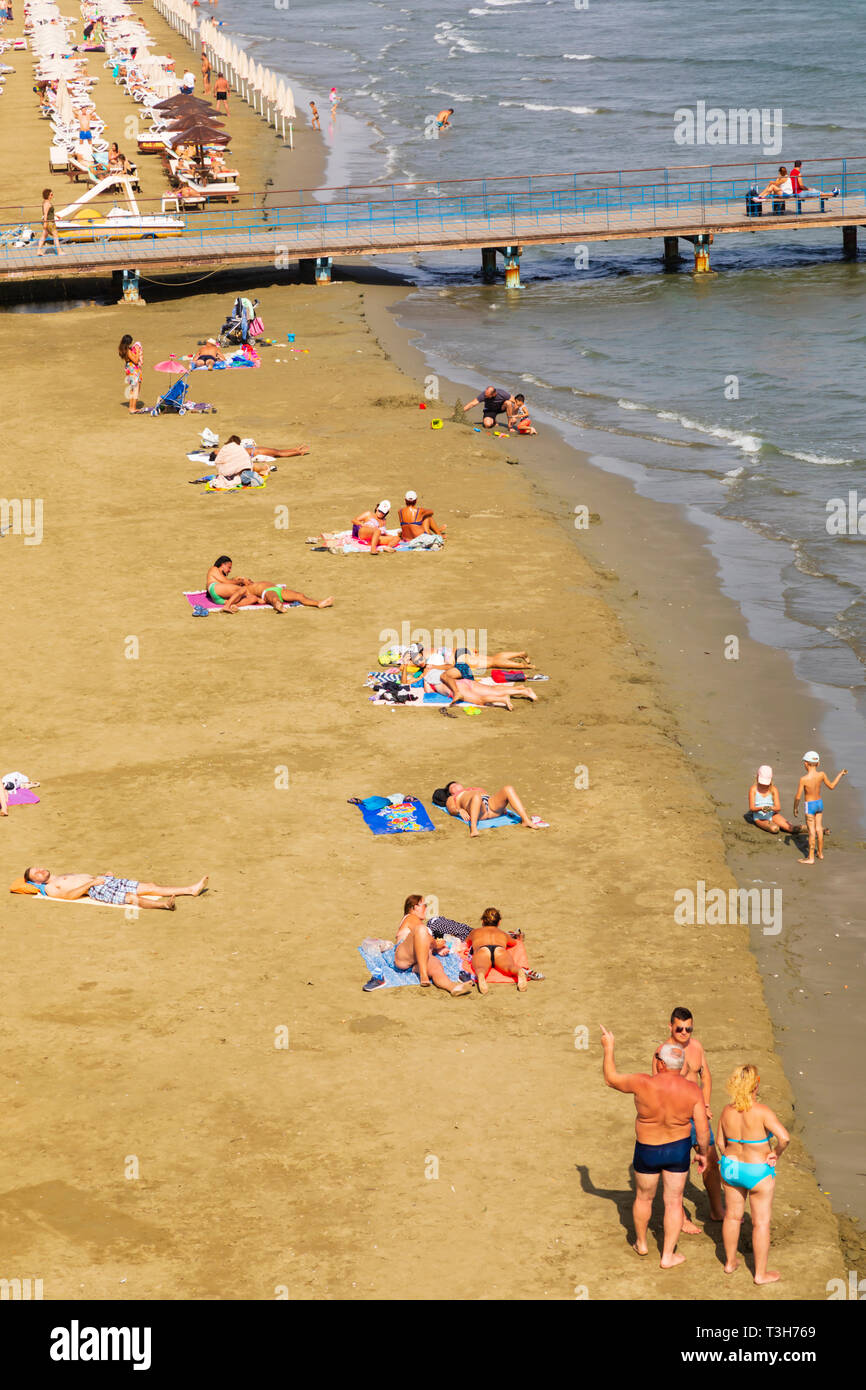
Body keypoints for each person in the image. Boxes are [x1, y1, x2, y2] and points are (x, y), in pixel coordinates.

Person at [601, 1027, 709, 1267]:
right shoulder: (692, 1090)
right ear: (680, 1066)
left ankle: (641, 1243)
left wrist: (609, 1048)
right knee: (673, 1201)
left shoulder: (642, 1083)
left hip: (648, 1148)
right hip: (677, 1149)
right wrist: (703, 1154)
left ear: (661, 1064)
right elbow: (702, 1130)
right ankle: (668, 1256)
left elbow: (610, 1079)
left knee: (643, 1198)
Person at [717, 1064, 790, 1285]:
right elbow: (784, 1138)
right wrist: (775, 1153)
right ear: (756, 1084)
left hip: (731, 1167)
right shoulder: (762, 1111)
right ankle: (760, 1274)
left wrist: (729, 1157)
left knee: (732, 1216)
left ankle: (730, 1263)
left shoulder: (727, 1111)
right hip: (757, 1170)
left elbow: (720, 1142)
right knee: (761, 1223)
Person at [652, 1008, 724, 1224]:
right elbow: (658, 1090)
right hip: (678, 1118)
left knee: (712, 1161)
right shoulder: (662, 1054)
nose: (684, 1032)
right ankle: (680, 1217)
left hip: (698, 1114)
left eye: (688, 1028)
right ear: (670, 1026)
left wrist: (706, 1103)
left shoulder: (696, 1046)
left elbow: (706, 1077)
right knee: (678, 1168)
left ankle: (717, 1209)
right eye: (679, 1028)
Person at [21, 867, 208, 912]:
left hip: (103, 881)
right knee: (130, 897)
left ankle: (191, 889)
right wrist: (90, 885)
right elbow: (69, 896)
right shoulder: (51, 888)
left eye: (38, 867)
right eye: (35, 873)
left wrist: (103, 876)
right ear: (35, 881)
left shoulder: (61, 876)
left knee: (150, 886)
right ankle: (165, 906)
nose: (40, 871)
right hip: (95, 890)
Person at [392, 895, 472, 995]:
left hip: (418, 960)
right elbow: (422, 935)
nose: (426, 908)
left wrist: (436, 949)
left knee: (437, 969)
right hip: (405, 957)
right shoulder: (410, 918)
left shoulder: (417, 922)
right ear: (415, 907)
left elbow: (423, 943)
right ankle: (423, 975)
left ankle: (452, 987)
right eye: (424, 905)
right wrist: (436, 944)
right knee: (421, 930)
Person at [434, 780, 544, 836]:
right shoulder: (453, 797)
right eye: (452, 786)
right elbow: (451, 809)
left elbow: (490, 797)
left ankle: (526, 820)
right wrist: (460, 810)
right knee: (476, 796)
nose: (456, 785)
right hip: (478, 811)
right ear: (450, 792)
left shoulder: (474, 789)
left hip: (492, 807)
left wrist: (502, 805)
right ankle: (473, 829)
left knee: (508, 788)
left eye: (456, 783)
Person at [793, 751, 847, 865]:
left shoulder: (804, 779)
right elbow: (832, 786)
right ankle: (820, 853)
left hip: (810, 805)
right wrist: (840, 774)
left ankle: (811, 858)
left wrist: (795, 808)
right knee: (819, 828)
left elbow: (798, 796)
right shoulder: (821, 774)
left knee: (811, 831)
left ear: (806, 764)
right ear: (817, 764)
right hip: (819, 803)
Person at [468, 908, 527, 993]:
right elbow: (513, 943)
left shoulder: (475, 932)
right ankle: (519, 971)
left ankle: (481, 976)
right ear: (499, 922)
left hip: (482, 950)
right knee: (509, 967)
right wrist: (517, 938)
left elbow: (467, 942)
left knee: (480, 968)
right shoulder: (502, 933)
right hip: (499, 949)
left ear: (482, 921)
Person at [748, 764, 800, 836]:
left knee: (791, 828)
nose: (764, 785)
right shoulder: (753, 789)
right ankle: (773, 824)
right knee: (774, 829)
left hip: (772, 814)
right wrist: (761, 808)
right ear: (757, 777)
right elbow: (752, 808)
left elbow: (778, 808)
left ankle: (812, 829)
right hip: (759, 817)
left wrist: (769, 808)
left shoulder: (773, 789)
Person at [118, 333, 144, 414]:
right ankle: (133, 408)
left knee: (133, 389)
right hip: (134, 370)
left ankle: (131, 407)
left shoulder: (123, 349)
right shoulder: (128, 351)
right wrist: (137, 351)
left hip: (129, 369)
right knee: (136, 389)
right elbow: (135, 361)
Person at [35, 188, 61, 258]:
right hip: (49, 222)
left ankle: (39, 251)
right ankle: (59, 251)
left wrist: (56, 215)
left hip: (48, 221)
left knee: (44, 236)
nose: (52, 196)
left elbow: (50, 212)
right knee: (55, 236)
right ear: (48, 195)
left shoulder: (46, 202)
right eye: (51, 194)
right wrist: (45, 223)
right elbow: (46, 214)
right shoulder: (47, 203)